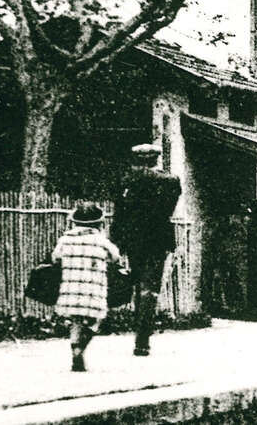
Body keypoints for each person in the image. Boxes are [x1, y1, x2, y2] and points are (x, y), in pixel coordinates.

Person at [111, 143, 181, 357]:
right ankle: (142, 340)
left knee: (137, 280)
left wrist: (117, 240)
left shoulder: (126, 180)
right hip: (158, 238)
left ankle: (139, 330)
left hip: (133, 238)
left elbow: (119, 212)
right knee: (150, 286)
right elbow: (169, 208)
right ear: (155, 159)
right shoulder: (170, 181)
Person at [52, 203, 121, 372]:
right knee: (95, 320)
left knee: (75, 321)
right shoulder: (100, 241)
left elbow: (55, 258)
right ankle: (81, 348)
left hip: (70, 289)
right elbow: (115, 257)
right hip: (93, 290)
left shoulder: (65, 239)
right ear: (99, 223)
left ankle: (75, 348)